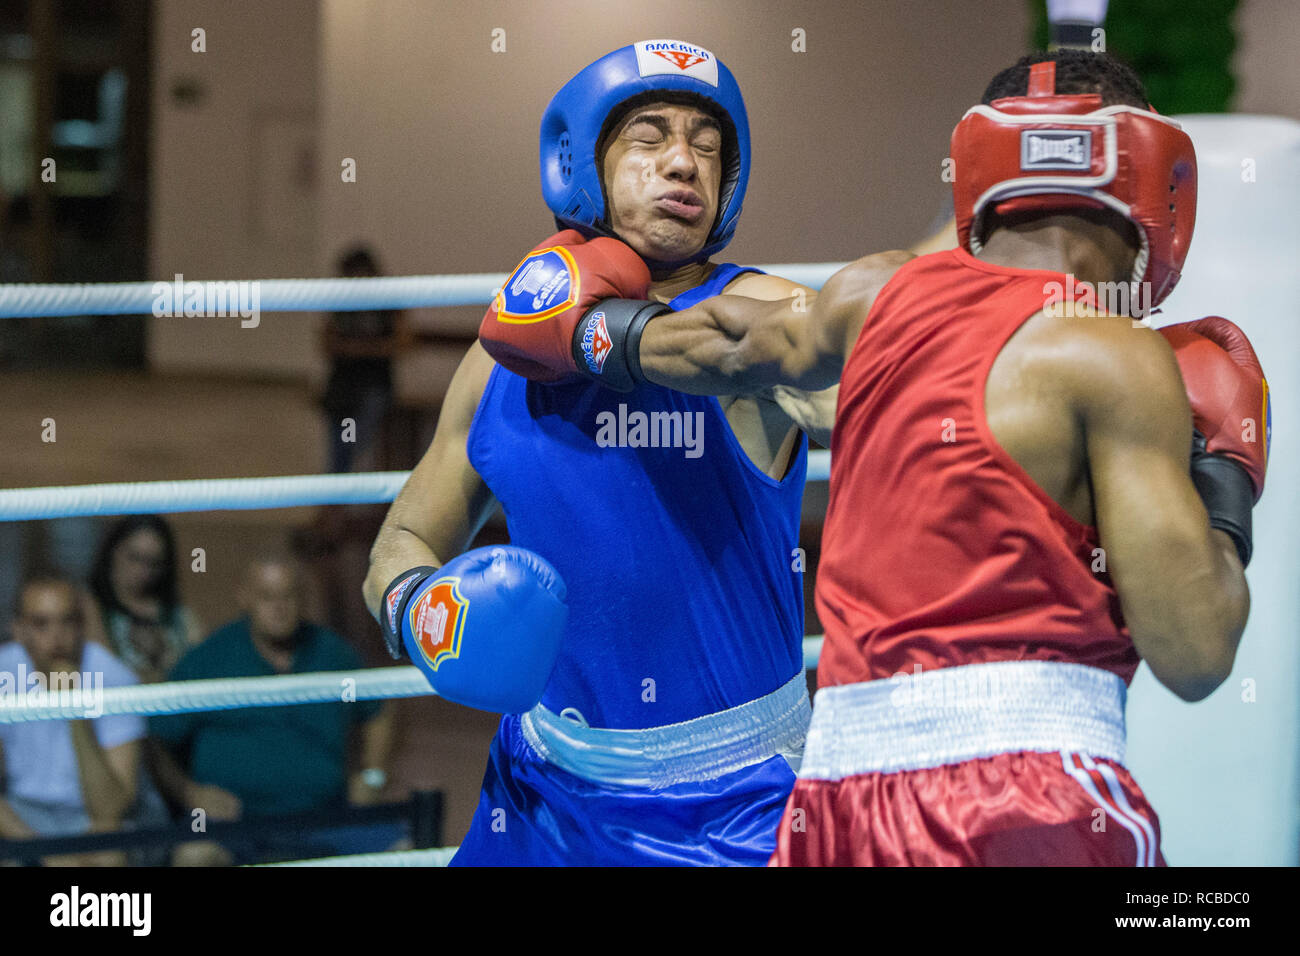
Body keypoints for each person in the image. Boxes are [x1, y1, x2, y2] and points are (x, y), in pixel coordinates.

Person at [479, 50, 1269, 866]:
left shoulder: (869, 298)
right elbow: (1196, 654)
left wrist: (587, 330)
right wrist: (1225, 480)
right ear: (1156, 183)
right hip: (1035, 797)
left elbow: (724, 340)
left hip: (838, 804)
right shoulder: (1117, 360)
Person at [365, 39, 850, 867]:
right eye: (650, 136)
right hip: (537, 787)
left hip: (732, 802)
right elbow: (400, 543)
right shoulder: (498, 359)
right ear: (580, 163)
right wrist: (423, 611)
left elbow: (848, 374)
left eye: (707, 144)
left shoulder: (757, 313)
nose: (684, 162)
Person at [150, 552, 395, 865]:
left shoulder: (333, 654)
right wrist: (188, 793)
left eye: (289, 596)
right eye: (266, 597)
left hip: (328, 817)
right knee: (194, 857)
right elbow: (155, 738)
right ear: (245, 598)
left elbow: (378, 712)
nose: (279, 608)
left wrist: (373, 776)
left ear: (303, 599)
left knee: (405, 850)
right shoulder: (209, 659)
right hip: (231, 825)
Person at [0, 575, 142, 866]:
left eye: (67, 621)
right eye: (41, 623)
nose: (57, 636)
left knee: (108, 856)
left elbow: (109, 809)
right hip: (24, 813)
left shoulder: (116, 679)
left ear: (82, 626)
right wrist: (43, 851)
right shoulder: (3, 672)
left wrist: (74, 709)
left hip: (90, 819)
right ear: (19, 630)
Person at [321, 246, 411, 475]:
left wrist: (361, 349)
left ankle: (347, 497)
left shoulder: (387, 303)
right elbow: (327, 342)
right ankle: (337, 500)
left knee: (357, 440)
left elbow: (403, 342)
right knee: (344, 441)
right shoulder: (340, 303)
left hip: (375, 385)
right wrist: (369, 348)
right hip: (343, 388)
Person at [86, 514, 203, 685]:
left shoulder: (180, 616)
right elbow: (106, 675)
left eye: (153, 563)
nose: (143, 571)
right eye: (134, 557)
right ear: (112, 551)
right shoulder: (89, 607)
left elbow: (200, 672)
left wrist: (162, 654)